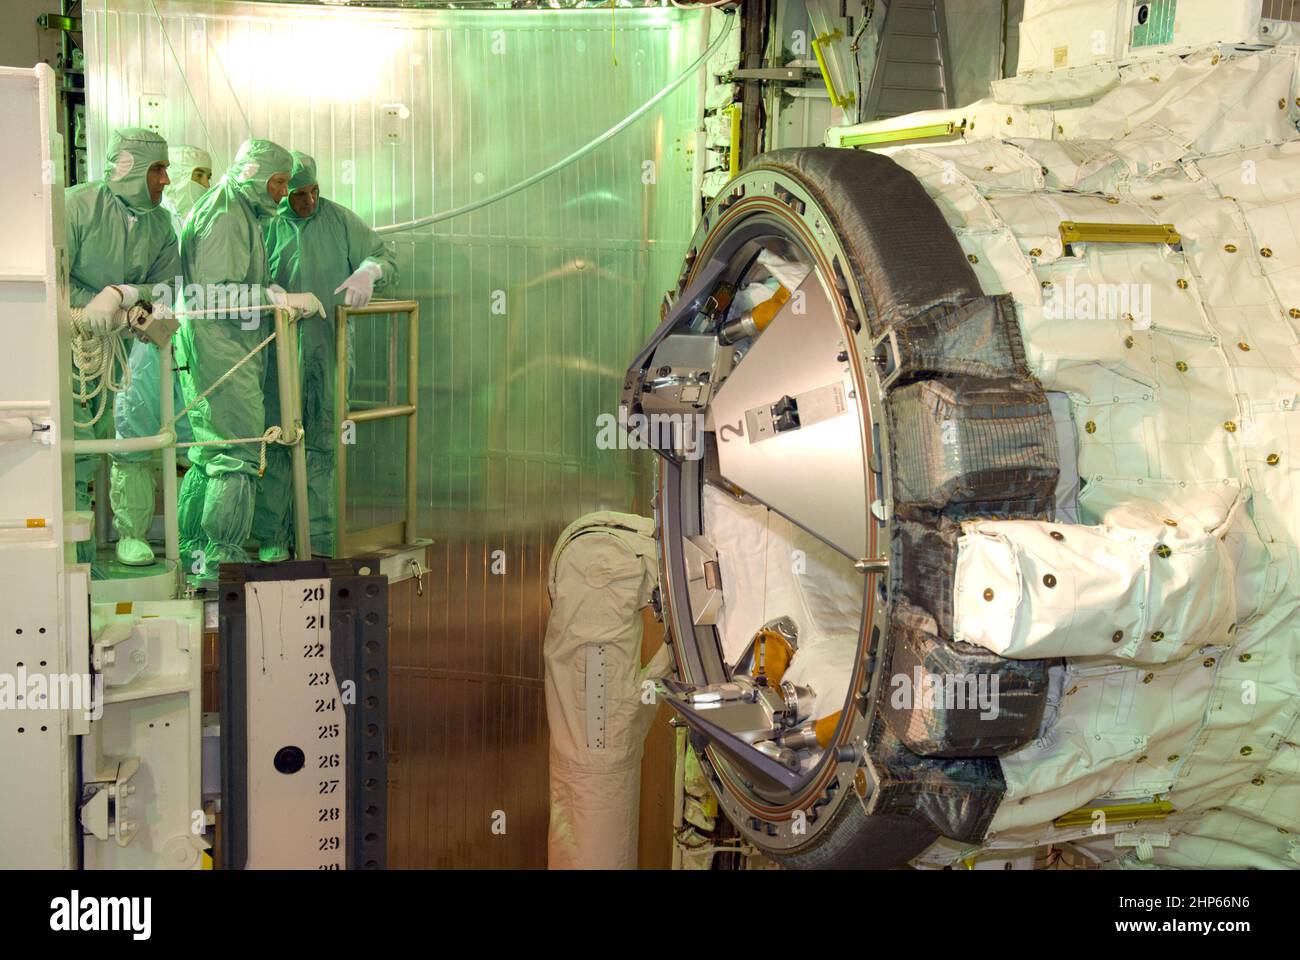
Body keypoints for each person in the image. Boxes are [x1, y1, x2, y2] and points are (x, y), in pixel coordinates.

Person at [174, 138, 323, 576]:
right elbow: (219, 294)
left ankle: (197, 552)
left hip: (214, 348)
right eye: (277, 182)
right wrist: (281, 300)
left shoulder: (233, 209)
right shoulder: (225, 216)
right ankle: (221, 563)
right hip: (223, 349)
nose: (282, 192)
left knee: (210, 453)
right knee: (235, 455)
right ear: (254, 174)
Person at [261, 151, 398, 557]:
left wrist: (369, 271)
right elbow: (245, 278)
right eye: (299, 194)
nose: (309, 201)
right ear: (282, 191)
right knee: (277, 437)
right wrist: (267, 293)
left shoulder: (339, 221)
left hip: (330, 348)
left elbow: (384, 255)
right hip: (275, 354)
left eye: (314, 191)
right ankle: (272, 537)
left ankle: (320, 537)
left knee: (324, 440)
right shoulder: (266, 225)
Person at [64, 127, 179, 570]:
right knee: (70, 453)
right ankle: (72, 559)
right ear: (128, 168)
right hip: (64, 351)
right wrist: (81, 308)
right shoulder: (77, 206)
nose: (166, 181)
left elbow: (166, 286)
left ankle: (97, 552)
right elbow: (49, 274)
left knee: (101, 444)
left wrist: (122, 293)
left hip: (113, 355)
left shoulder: (161, 224)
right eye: (157, 169)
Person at [109, 144, 212, 567]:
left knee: (202, 440)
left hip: (201, 339)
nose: (204, 184)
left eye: (208, 175)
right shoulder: (150, 224)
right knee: (135, 432)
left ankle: (195, 535)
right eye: (198, 175)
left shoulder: (216, 221)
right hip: (150, 338)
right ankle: (132, 534)